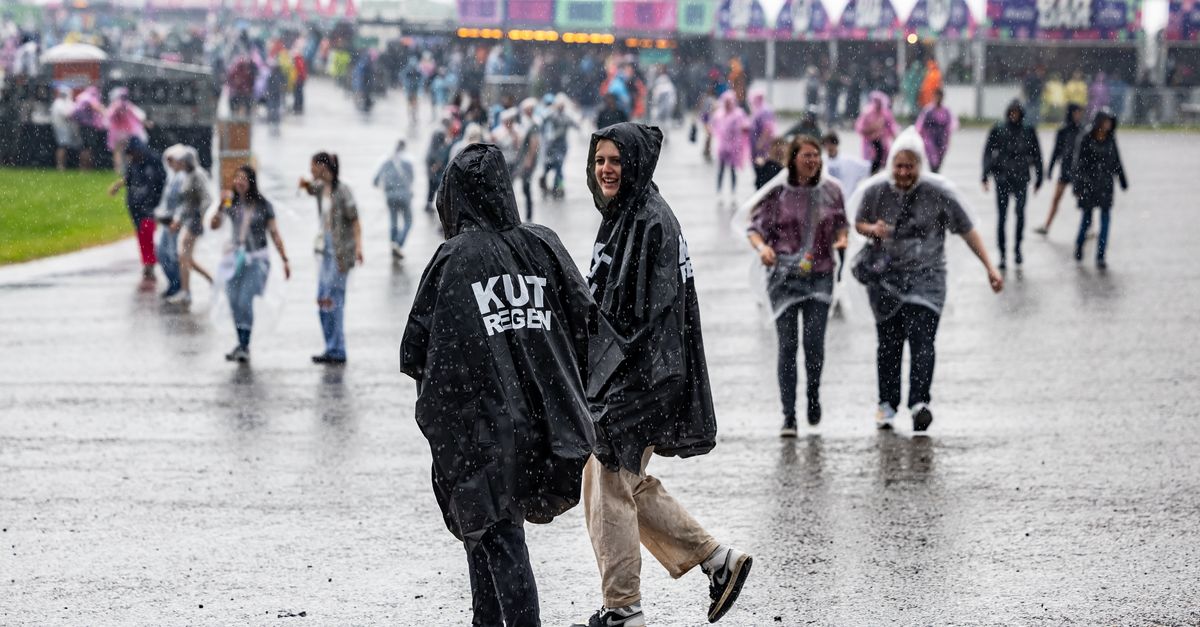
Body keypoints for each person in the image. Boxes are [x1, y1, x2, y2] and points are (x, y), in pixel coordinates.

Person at [400, 143, 595, 627]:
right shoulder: (542, 244)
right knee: (488, 530)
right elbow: (584, 322)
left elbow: (421, 350)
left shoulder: (454, 260)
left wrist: (442, 413)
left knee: (498, 532)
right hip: (538, 420)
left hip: (482, 424)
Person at [576, 123, 752, 627]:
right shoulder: (626, 215)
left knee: (607, 482)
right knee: (622, 482)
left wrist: (624, 389)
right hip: (630, 374)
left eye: (615, 160)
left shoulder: (651, 221)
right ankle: (717, 561)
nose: (606, 170)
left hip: (641, 379)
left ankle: (623, 608)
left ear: (635, 164)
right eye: (600, 161)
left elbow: (654, 319)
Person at [851, 128, 1003, 432]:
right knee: (889, 345)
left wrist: (990, 266)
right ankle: (887, 405)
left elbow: (967, 229)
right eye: (899, 165)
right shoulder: (876, 191)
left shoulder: (939, 193)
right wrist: (872, 230)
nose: (904, 172)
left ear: (921, 165)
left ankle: (920, 402)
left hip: (928, 279)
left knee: (923, 342)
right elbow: (858, 223)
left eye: (910, 166)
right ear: (891, 164)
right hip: (886, 281)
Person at [740, 136, 849, 434]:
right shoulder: (777, 193)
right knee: (787, 346)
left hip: (820, 275)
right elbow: (754, 229)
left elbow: (842, 223)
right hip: (782, 278)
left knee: (813, 344)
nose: (813, 161)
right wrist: (762, 248)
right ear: (793, 158)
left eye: (816, 155)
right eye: (806, 156)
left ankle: (813, 395)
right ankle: (788, 415)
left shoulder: (832, 190)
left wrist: (842, 238)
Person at [211, 165, 291, 362]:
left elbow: (274, 233)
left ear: (252, 182)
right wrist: (220, 206)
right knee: (233, 300)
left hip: (257, 260)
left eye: (243, 179)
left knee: (245, 299)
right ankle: (240, 342)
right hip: (234, 259)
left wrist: (284, 259)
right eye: (237, 178)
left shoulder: (264, 205)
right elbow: (214, 225)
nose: (239, 181)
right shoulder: (231, 203)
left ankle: (245, 345)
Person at [300, 152, 363, 364]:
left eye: (312, 167)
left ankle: (338, 348)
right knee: (323, 299)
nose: (310, 171)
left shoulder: (343, 191)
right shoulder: (320, 188)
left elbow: (355, 220)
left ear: (322, 166)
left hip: (340, 253)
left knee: (335, 301)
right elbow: (309, 189)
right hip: (324, 252)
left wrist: (359, 248)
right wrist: (305, 184)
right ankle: (330, 346)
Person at [982, 100, 1043, 269]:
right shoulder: (999, 129)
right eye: (1012, 112)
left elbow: (1037, 154)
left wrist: (1039, 177)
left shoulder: (1028, 131)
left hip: (1021, 178)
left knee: (1020, 215)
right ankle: (1002, 253)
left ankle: (1017, 249)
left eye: (1017, 112)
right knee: (1002, 217)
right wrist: (984, 175)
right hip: (1002, 177)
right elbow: (988, 152)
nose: (1014, 115)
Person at [1071, 109, 1127, 269]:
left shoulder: (1111, 139)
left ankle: (1101, 255)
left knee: (1105, 221)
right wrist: (1078, 186)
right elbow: (1078, 164)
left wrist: (1122, 179)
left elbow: (1116, 160)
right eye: (1106, 121)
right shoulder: (1086, 138)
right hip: (1088, 185)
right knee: (1086, 220)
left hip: (1105, 186)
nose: (1108, 125)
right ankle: (1079, 246)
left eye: (1110, 121)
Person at [161, 145, 214, 306]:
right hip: (189, 220)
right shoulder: (187, 176)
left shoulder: (198, 175)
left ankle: (186, 291)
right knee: (186, 258)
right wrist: (179, 219)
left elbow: (207, 199)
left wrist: (201, 216)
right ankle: (211, 281)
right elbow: (185, 203)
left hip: (195, 222)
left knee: (184, 257)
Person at [108, 138, 166, 283]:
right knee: (140, 232)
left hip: (150, 203)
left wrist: (159, 203)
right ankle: (147, 261)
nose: (132, 156)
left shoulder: (154, 161)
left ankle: (152, 260)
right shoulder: (133, 163)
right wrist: (117, 185)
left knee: (147, 230)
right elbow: (129, 177)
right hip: (135, 203)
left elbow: (162, 182)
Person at [1035, 104, 1084, 235]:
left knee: (1084, 200)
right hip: (1066, 169)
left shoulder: (1083, 130)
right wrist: (1050, 169)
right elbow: (1056, 151)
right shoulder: (1063, 131)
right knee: (1056, 199)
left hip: (1079, 171)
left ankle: (1089, 225)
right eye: (1077, 112)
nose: (1079, 115)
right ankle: (1047, 225)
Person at [374, 139, 416, 259]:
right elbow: (411, 179)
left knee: (393, 220)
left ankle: (393, 244)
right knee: (408, 220)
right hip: (404, 195)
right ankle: (398, 243)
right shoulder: (408, 161)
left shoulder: (386, 160)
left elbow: (375, 180)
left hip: (390, 195)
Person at [712, 90, 749, 203]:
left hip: (734, 147)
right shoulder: (719, 114)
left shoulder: (738, 114)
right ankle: (719, 192)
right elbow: (714, 126)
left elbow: (746, 125)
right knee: (721, 170)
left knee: (733, 170)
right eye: (726, 101)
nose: (728, 103)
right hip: (723, 147)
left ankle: (733, 192)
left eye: (729, 101)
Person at [540, 93, 577, 199]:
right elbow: (542, 121)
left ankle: (558, 186)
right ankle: (547, 181)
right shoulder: (552, 114)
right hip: (552, 145)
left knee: (559, 167)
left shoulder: (566, 117)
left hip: (561, 147)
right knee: (549, 165)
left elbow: (575, 124)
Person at [105, 87, 149, 174]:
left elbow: (108, 115)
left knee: (117, 152)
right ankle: (127, 169)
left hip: (117, 133)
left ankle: (118, 170)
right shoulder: (127, 105)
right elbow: (139, 115)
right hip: (128, 132)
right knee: (127, 151)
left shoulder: (115, 105)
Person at [915, 88, 958, 174]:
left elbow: (953, 123)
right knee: (933, 160)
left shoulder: (946, 111)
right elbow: (920, 124)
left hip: (942, 140)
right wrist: (919, 135)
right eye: (936, 96)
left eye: (940, 96)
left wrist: (949, 130)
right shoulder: (928, 110)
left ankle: (935, 175)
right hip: (930, 139)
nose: (938, 98)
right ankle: (934, 175)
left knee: (939, 161)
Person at [855, 91, 898, 174]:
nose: (878, 104)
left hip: (881, 142)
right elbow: (860, 128)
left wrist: (896, 139)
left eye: (880, 102)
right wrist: (873, 128)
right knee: (870, 165)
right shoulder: (867, 113)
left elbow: (892, 126)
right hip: (870, 143)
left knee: (884, 163)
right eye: (876, 101)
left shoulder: (885, 113)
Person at [514, 98, 542, 220]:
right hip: (522, 160)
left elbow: (534, 143)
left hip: (527, 161)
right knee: (523, 187)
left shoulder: (533, 124)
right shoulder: (526, 123)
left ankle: (528, 215)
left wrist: (529, 159)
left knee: (526, 187)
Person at [748, 90, 778, 190]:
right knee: (758, 170)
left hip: (763, 148)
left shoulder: (764, 110)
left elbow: (768, 128)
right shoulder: (758, 110)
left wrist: (761, 142)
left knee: (762, 171)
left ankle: (762, 193)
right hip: (757, 147)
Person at [424, 118, 454, 213]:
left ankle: (429, 203)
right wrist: (437, 165)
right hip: (435, 163)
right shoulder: (441, 132)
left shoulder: (437, 130)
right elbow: (440, 150)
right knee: (436, 185)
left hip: (430, 160)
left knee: (431, 184)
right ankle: (435, 204)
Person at [50, 87, 80, 171]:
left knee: (64, 147)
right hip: (62, 129)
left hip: (65, 129)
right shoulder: (59, 103)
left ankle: (64, 165)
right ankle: (60, 165)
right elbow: (68, 114)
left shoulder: (61, 102)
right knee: (62, 146)